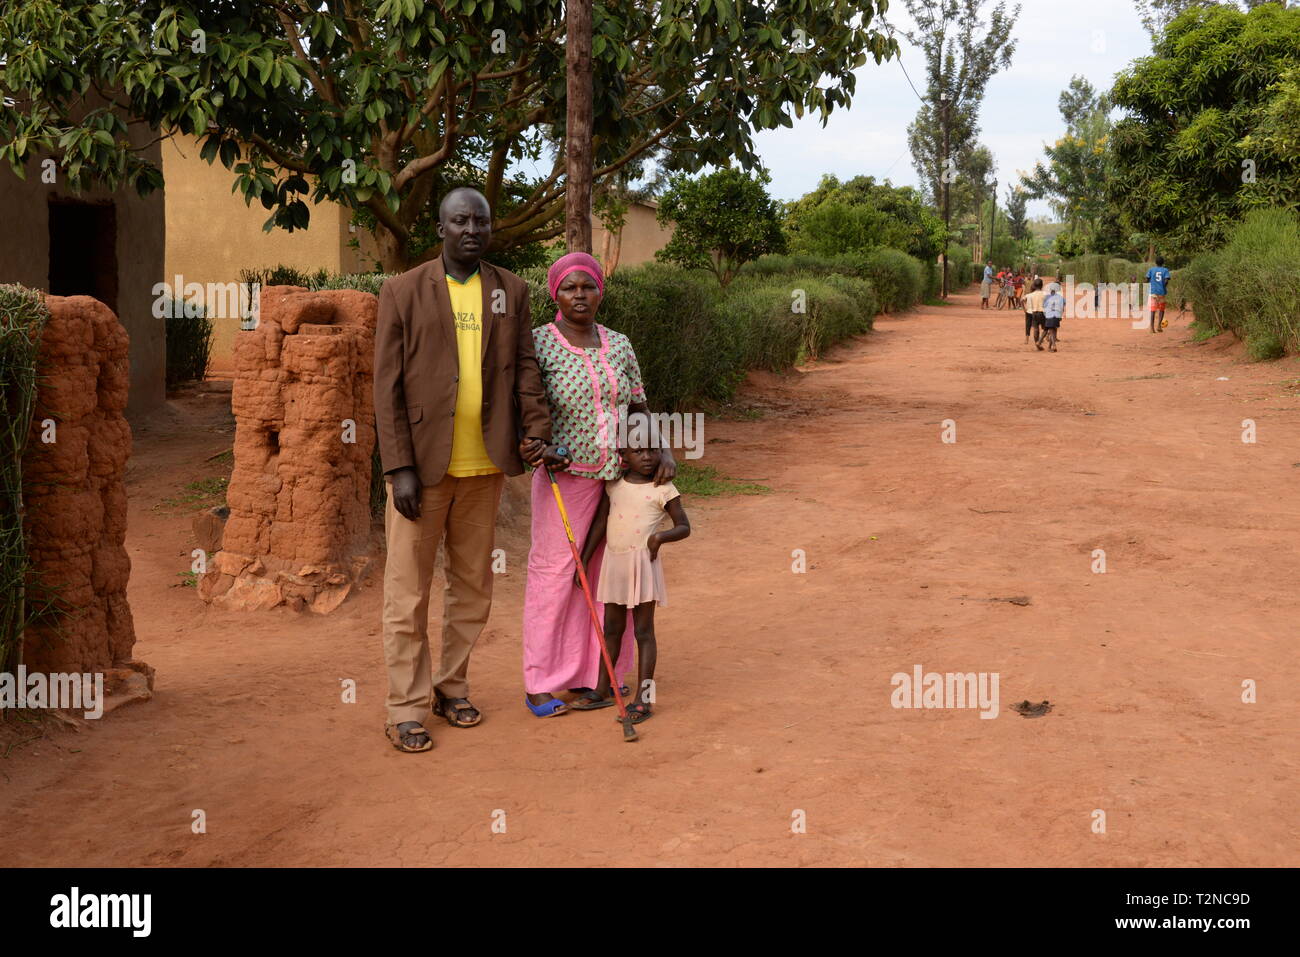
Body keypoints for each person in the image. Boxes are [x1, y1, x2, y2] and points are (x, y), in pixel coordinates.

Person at [373, 186, 554, 754]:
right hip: (421, 470)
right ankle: (405, 707)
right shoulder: (403, 291)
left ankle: (451, 687)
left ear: (490, 228)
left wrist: (535, 428)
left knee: (472, 588)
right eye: (460, 220)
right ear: (441, 228)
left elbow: (525, 365)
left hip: (484, 466)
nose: (471, 229)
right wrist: (398, 465)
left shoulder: (511, 290)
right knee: (408, 593)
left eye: (480, 220)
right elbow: (387, 387)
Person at [519, 252, 677, 717]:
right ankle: (541, 681)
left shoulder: (620, 345)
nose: (580, 296)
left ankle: (602, 674)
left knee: (613, 579)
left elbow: (639, 408)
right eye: (570, 288)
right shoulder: (539, 345)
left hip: (622, 483)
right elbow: (524, 410)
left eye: (588, 287)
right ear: (555, 294)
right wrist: (533, 447)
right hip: (565, 480)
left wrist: (663, 450)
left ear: (600, 292)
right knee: (557, 574)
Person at [569, 420, 690, 722]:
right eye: (639, 450)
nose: (647, 456)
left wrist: (660, 537)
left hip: (643, 567)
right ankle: (601, 688)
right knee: (611, 629)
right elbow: (599, 525)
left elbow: (684, 527)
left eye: (653, 450)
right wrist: (582, 561)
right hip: (615, 565)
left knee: (644, 632)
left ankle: (643, 699)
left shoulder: (664, 489)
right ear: (624, 454)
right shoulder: (614, 485)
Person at [1146, 255, 1172, 334]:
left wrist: (1150, 282)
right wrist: (1163, 286)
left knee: (1153, 310)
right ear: (1163, 263)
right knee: (1161, 309)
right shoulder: (1165, 270)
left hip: (1153, 292)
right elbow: (1166, 280)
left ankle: (1151, 328)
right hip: (1161, 293)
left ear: (1155, 262)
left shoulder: (1151, 269)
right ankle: (1159, 326)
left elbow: (1147, 278)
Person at [1024, 277, 1047, 348]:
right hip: (1042, 313)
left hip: (1034, 313)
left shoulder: (1031, 295)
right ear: (1042, 286)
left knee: (1036, 329)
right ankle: (1039, 341)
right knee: (1046, 329)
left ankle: (1037, 342)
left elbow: (1023, 299)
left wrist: (1024, 309)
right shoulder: (1045, 294)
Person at [1042, 281, 1065, 352]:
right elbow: (1062, 306)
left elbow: (1044, 306)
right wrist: (1061, 315)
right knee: (1054, 330)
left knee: (1051, 331)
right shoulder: (1060, 297)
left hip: (1049, 315)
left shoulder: (1047, 297)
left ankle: (1053, 345)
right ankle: (1049, 346)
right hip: (1057, 315)